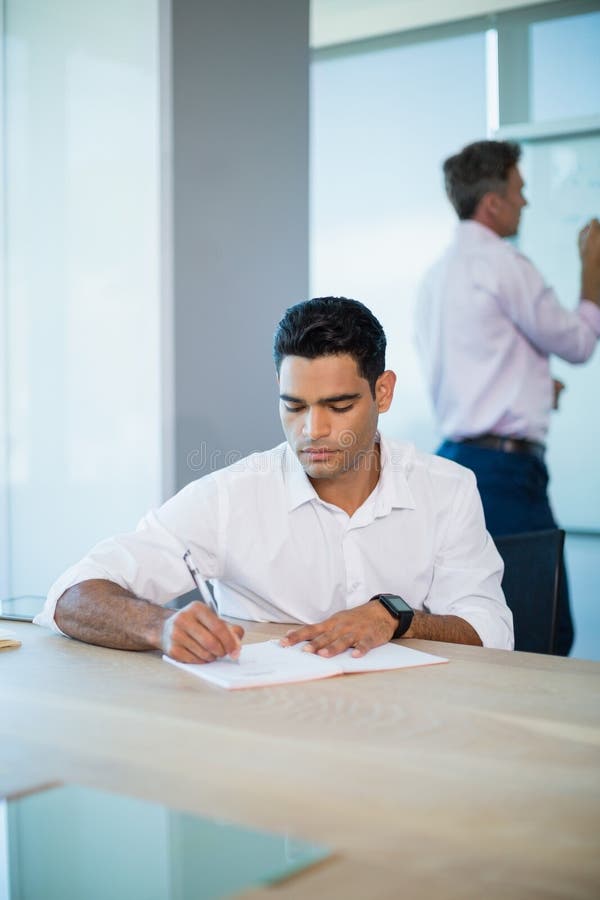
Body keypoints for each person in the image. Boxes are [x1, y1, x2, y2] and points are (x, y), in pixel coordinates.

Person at [35, 297, 513, 660]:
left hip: (410, 725)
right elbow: (70, 596)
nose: (313, 430)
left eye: (339, 406)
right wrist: (158, 626)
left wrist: (396, 618)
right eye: (294, 406)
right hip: (267, 727)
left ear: (383, 392)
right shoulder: (231, 497)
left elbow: (491, 630)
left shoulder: (447, 489)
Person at [415, 140, 600, 656]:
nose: (526, 201)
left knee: (472, 620)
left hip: (455, 460)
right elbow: (578, 344)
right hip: (506, 474)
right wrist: (592, 273)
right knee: (540, 628)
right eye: (519, 190)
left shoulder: (436, 276)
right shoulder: (505, 264)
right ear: (492, 203)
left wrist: (536, 385)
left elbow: (473, 365)